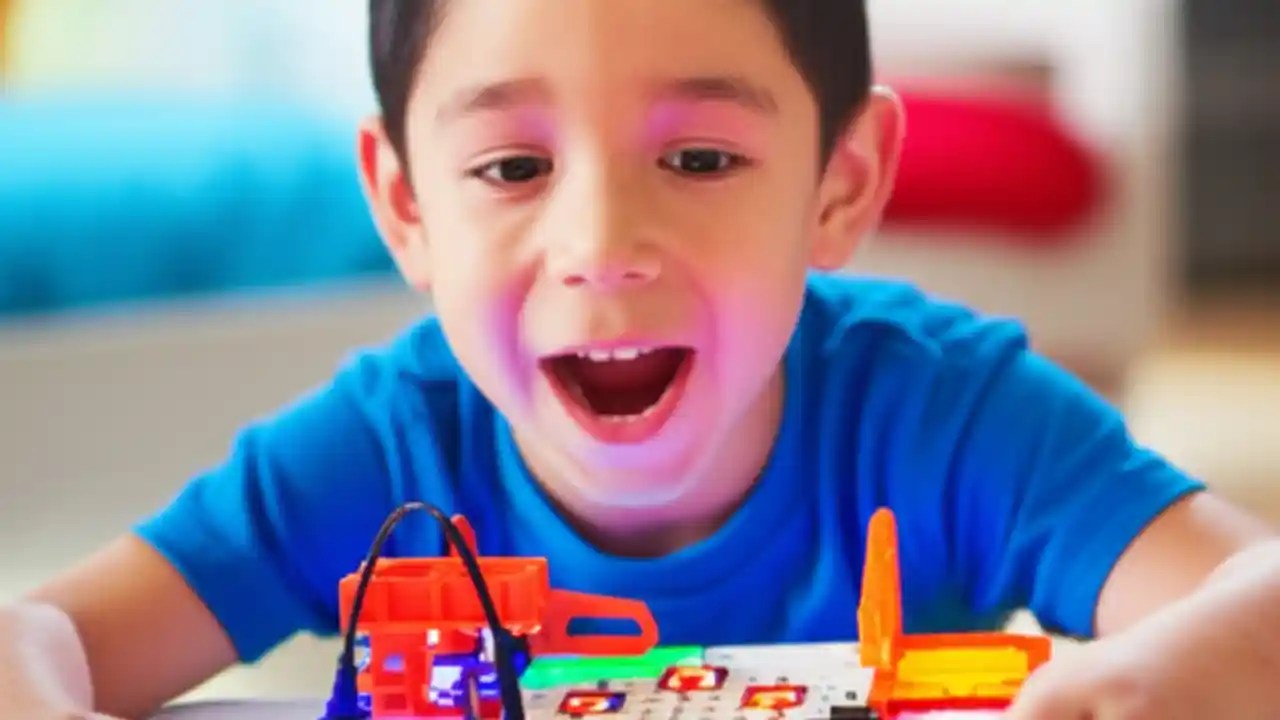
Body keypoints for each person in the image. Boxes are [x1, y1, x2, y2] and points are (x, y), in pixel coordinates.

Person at [4, 1, 1278, 718]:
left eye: (700, 160)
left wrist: (1139, 686)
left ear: (840, 187)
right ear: (405, 211)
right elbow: (48, 634)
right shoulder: (380, 450)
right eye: (511, 169)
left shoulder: (951, 417)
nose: (603, 247)